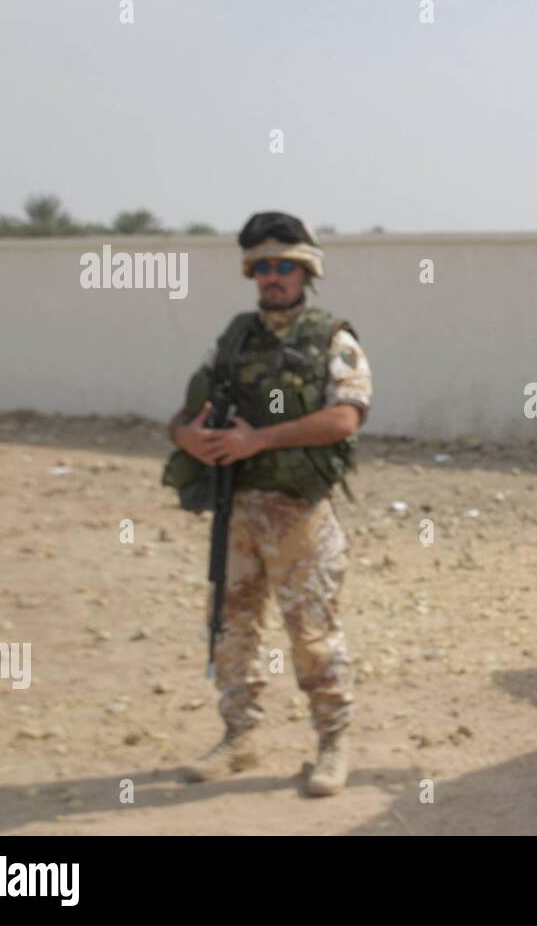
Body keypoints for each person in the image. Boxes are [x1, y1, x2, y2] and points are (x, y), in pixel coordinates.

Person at [164, 211, 372, 797]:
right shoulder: (233, 340)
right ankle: (239, 737)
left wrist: (259, 439)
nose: (273, 277)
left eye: (283, 266)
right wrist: (187, 438)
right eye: (262, 268)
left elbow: (345, 417)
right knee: (232, 629)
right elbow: (184, 414)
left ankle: (332, 743)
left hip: (299, 514)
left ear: (305, 273)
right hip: (237, 510)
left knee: (312, 635)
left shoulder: (332, 339)